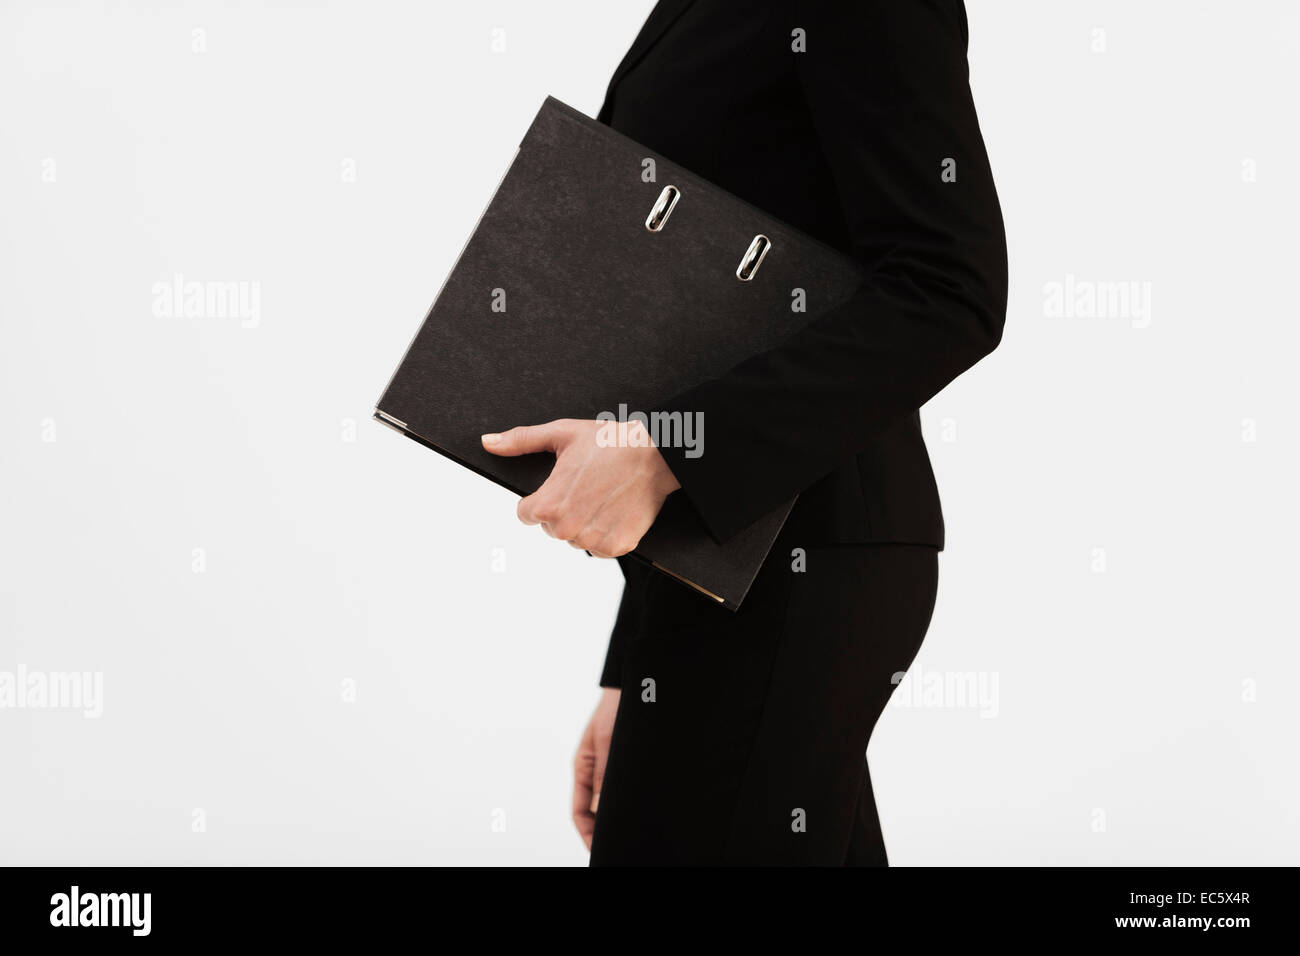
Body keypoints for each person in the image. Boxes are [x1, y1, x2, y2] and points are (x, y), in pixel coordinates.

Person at [481, 0, 1007, 865]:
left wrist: (671, 449)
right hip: (707, 576)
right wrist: (632, 665)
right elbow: (691, 327)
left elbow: (951, 290)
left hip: (805, 568)